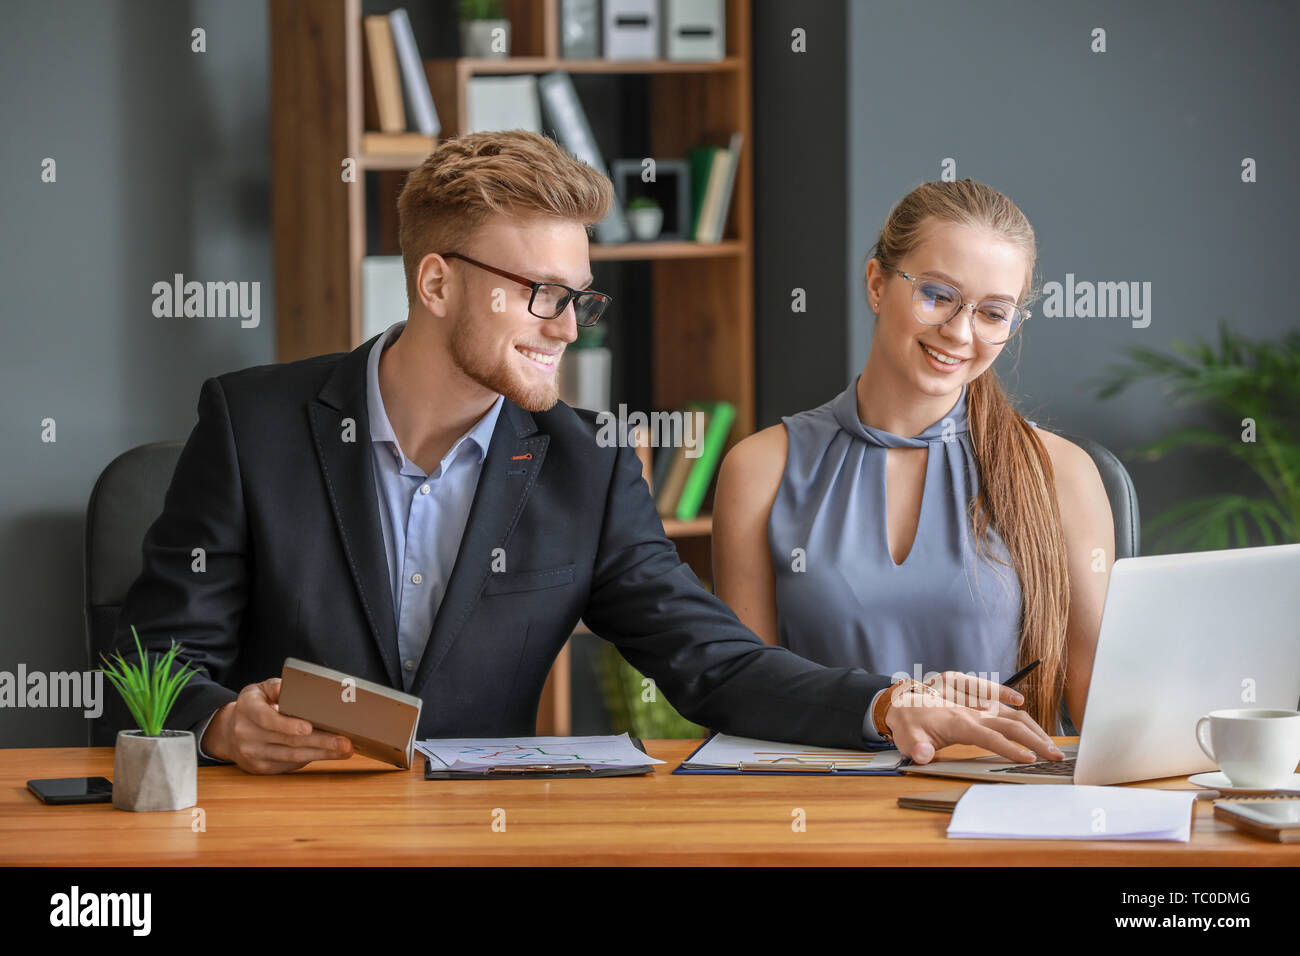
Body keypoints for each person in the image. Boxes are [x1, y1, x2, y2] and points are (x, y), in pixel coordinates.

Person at [109, 135, 1060, 774]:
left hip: (476, 844)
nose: (569, 331)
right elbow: (148, 657)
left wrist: (888, 706)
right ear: (436, 283)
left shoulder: (588, 467)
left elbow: (715, 664)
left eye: (580, 298)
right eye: (541, 294)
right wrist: (218, 723)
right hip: (274, 845)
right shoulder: (254, 423)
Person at [713, 179, 1115, 766]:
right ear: (877, 283)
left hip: (1001, 812)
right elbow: (746, 693)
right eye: (937, 295)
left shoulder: (1061, 473)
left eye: (992, 313)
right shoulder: (759, 469)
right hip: (818, 813)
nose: (960, 332)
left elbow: (1105, 707)